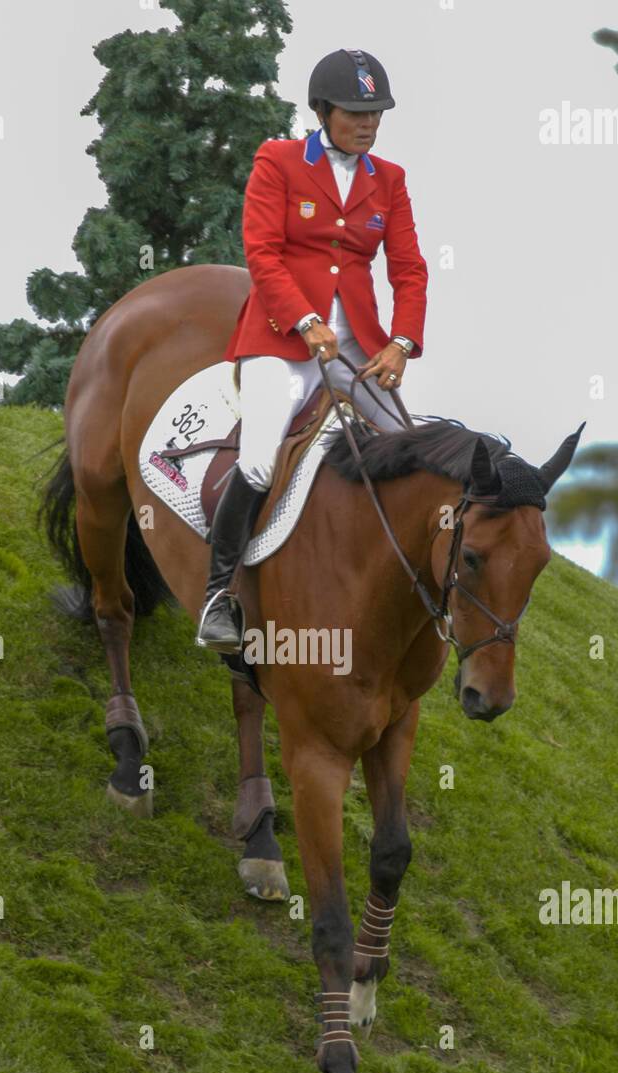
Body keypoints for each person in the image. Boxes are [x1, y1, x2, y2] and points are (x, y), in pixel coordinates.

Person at [196, 47, 429, 652]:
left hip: (360, 349)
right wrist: (304, 321)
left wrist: (402, 342)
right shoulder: (278, 161)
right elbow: (262, 253)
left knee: (409, 446)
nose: (369, 123)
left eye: (376, 112)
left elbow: (409, 269)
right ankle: (218, 598)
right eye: (356, 111)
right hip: (280, 341)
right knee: (259, 458)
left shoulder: (391, 181)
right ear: (323, 110)